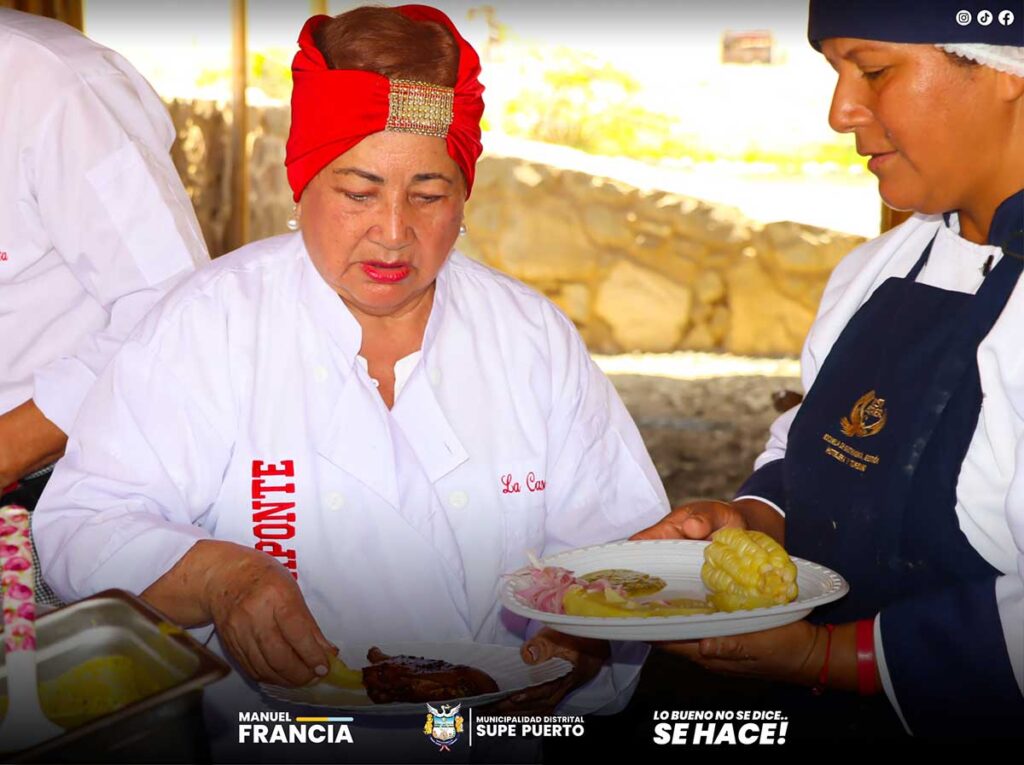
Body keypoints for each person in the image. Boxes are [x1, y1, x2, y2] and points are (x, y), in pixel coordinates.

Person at [33, 4, 668, 719]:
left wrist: (583, 630)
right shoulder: (207, 324)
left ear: (465, 194)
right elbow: (80, 525)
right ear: (301, 184)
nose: (394, 233)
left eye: (430, 193)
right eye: (359, 192)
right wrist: (222, 575)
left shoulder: (529, 339)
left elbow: (617, 545)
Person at [634, 0, 1024, 740]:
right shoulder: (873, 270)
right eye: (835, 70)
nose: (841, 109)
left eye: (874, 69)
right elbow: (807, 441)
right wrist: (756, 520)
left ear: (1007, 65)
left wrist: (827, 654)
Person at [0, 9, 209, 599]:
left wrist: (7, 450)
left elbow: (172, 311)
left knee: (40, 690)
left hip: (45, 498)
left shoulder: (59, 89)